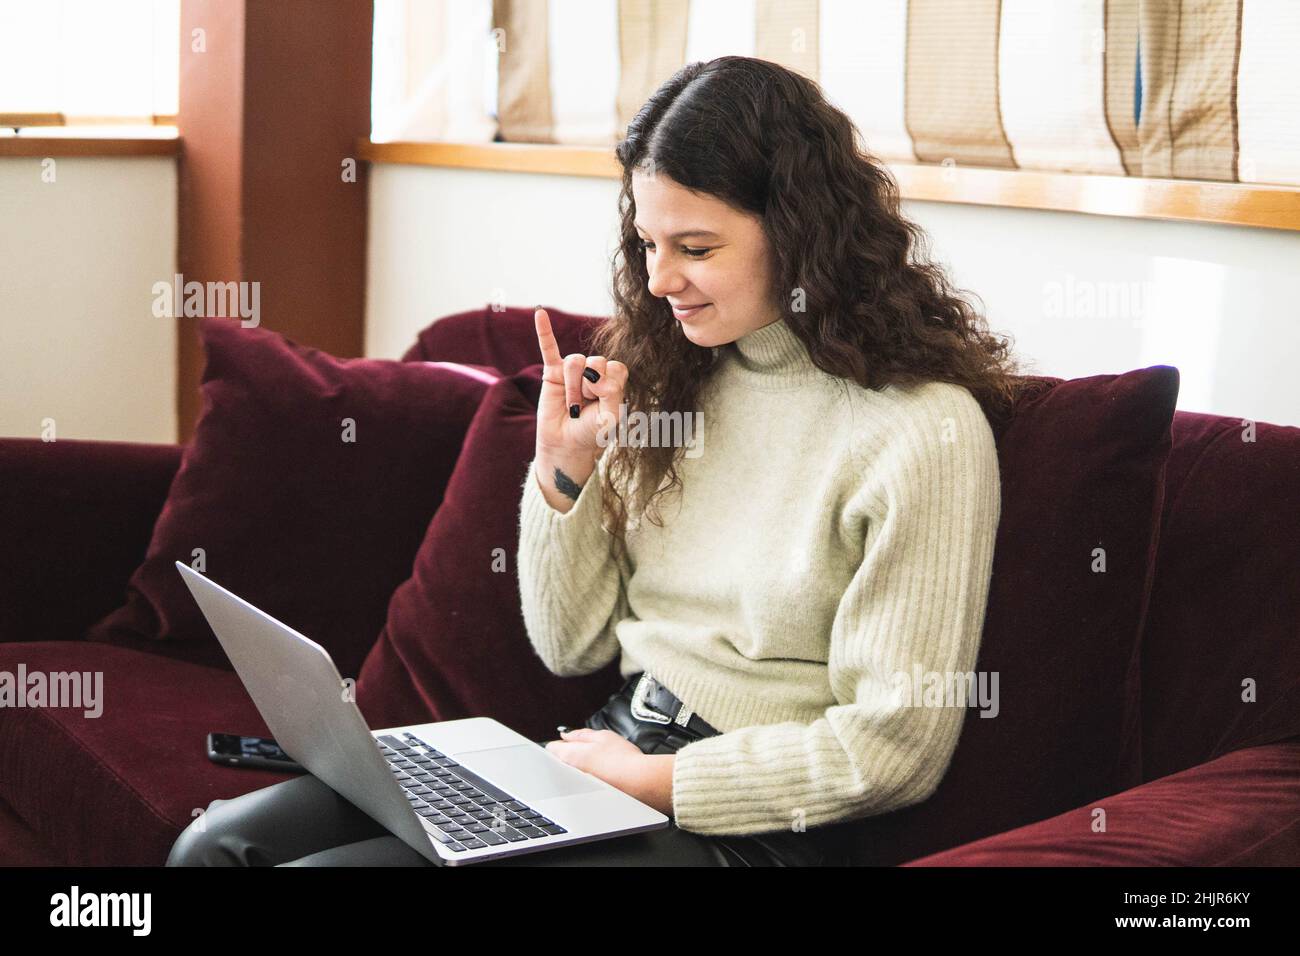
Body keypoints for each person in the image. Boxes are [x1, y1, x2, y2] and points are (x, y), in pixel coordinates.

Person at [167, 54, 1025, 868]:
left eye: (696, 248)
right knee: (221, 847)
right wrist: (563, 473)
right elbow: (570, 645)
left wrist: (661, 780)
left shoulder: (922, 431)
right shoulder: (680, 377)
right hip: (610, 750)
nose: (659, 281)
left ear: (803, 234)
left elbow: (895, 745)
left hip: (743, 826)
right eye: (648, 244)